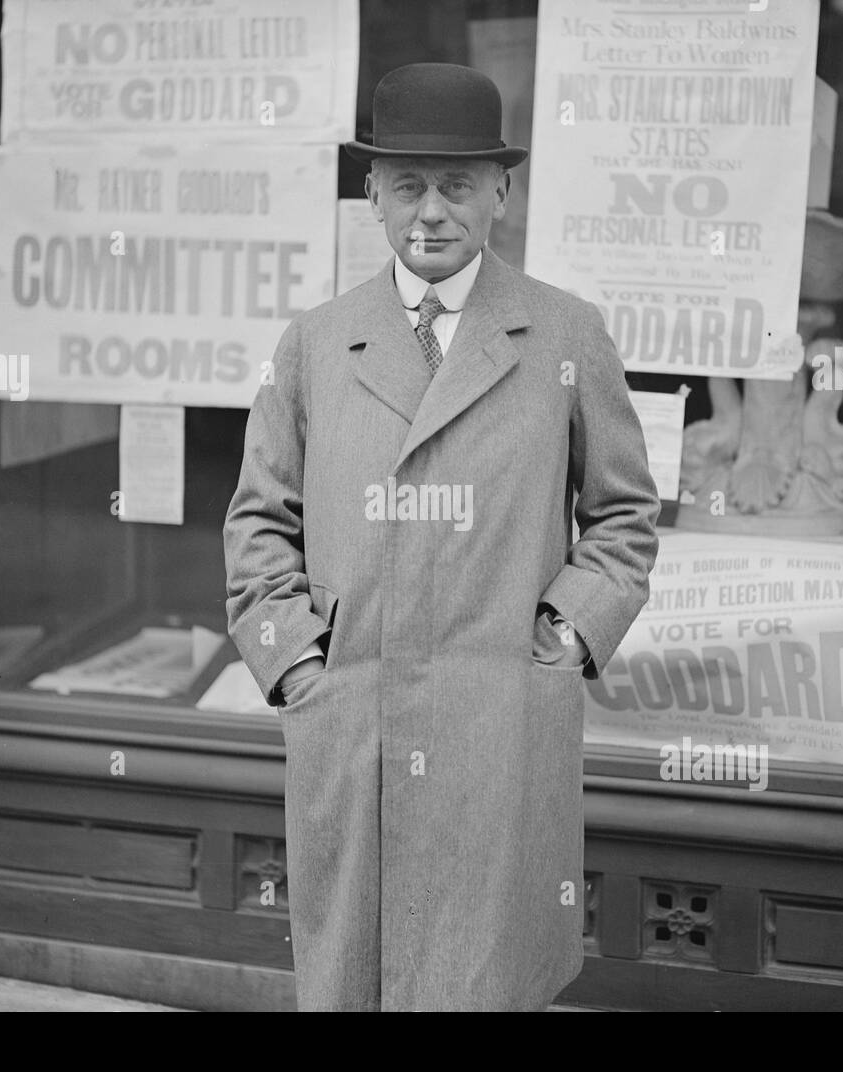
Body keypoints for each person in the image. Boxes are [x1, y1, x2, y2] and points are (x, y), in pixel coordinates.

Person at [223, 64, 660, 1011]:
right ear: (372, 193)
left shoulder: (565, 335)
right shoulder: (314, 344)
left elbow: (624, 517)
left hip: (499, 728)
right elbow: (258, 526)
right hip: (354, 726)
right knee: (356, 980)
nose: (432, 211)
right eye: (408, 183)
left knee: (482, 981)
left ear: (501, 190)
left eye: (457, 184)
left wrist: (563, 639)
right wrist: (300, 667)